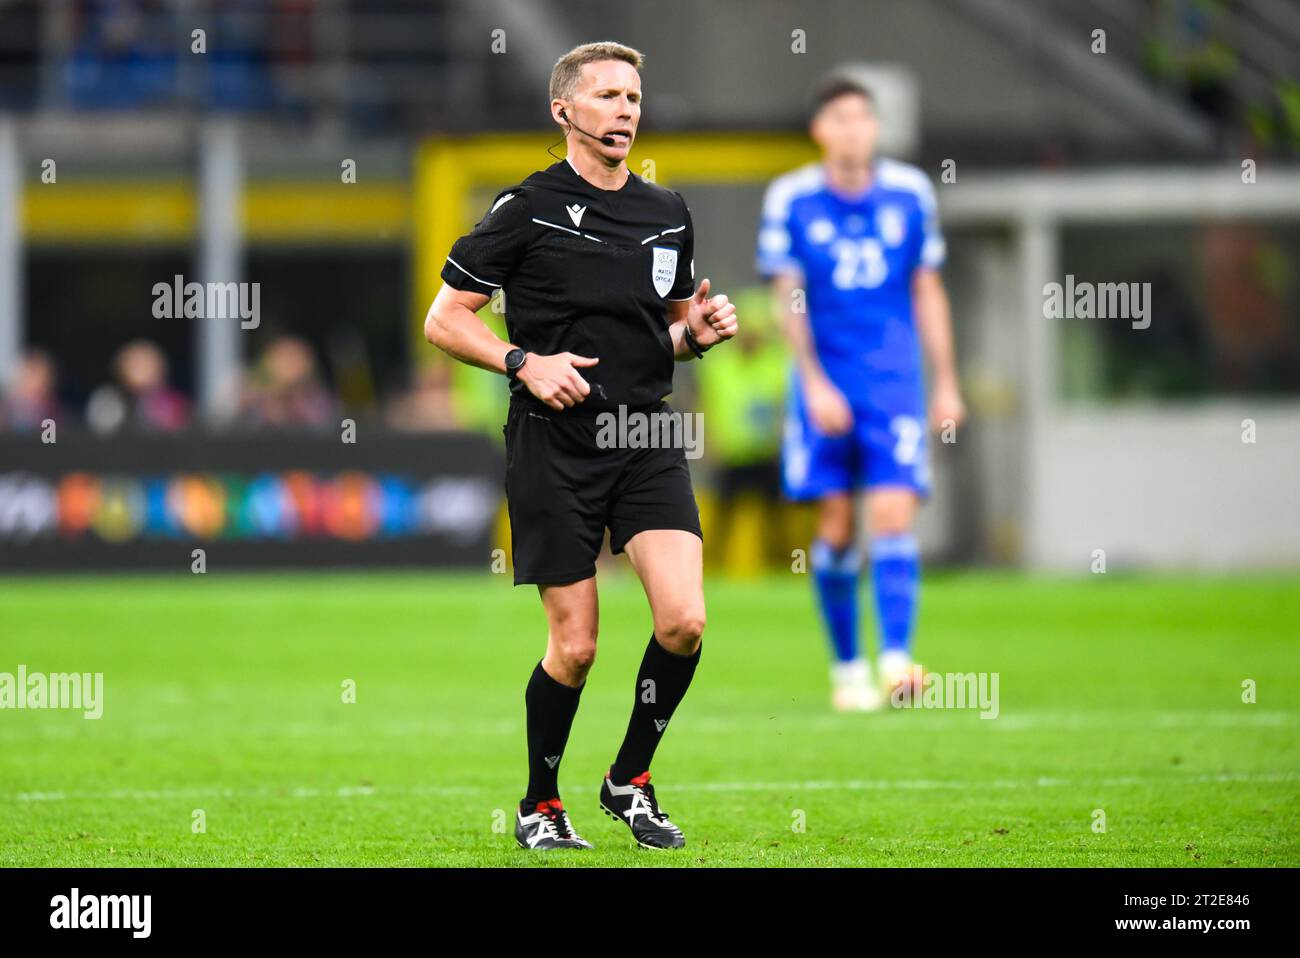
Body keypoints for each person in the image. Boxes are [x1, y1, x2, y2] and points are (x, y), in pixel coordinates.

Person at [423, 42, 738, 850]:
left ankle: (629, 779)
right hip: (553, 444)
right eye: (606, 95)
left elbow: (658, 331)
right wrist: (522, 362)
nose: (625, 110)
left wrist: (693, 334)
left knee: (685, 622)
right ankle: (540, 803)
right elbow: (445, 317)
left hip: (645, 434)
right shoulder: (524, 209)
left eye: (633, 96)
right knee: (577, 644)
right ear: (564, 111)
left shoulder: (667, 210)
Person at [756, 69, 965, 711]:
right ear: (820, 130)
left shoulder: (910, 193)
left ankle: (898, 663)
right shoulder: (791, 197)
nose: (853, 129)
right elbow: (784, 295)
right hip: (825, 380)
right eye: (840, 118)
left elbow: (927, 289)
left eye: (863, 118)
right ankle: (848, 669)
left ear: (876, 128)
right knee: (839, 525)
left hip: (894, 381)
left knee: (894, 515)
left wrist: (946, 384)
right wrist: (813, 383)